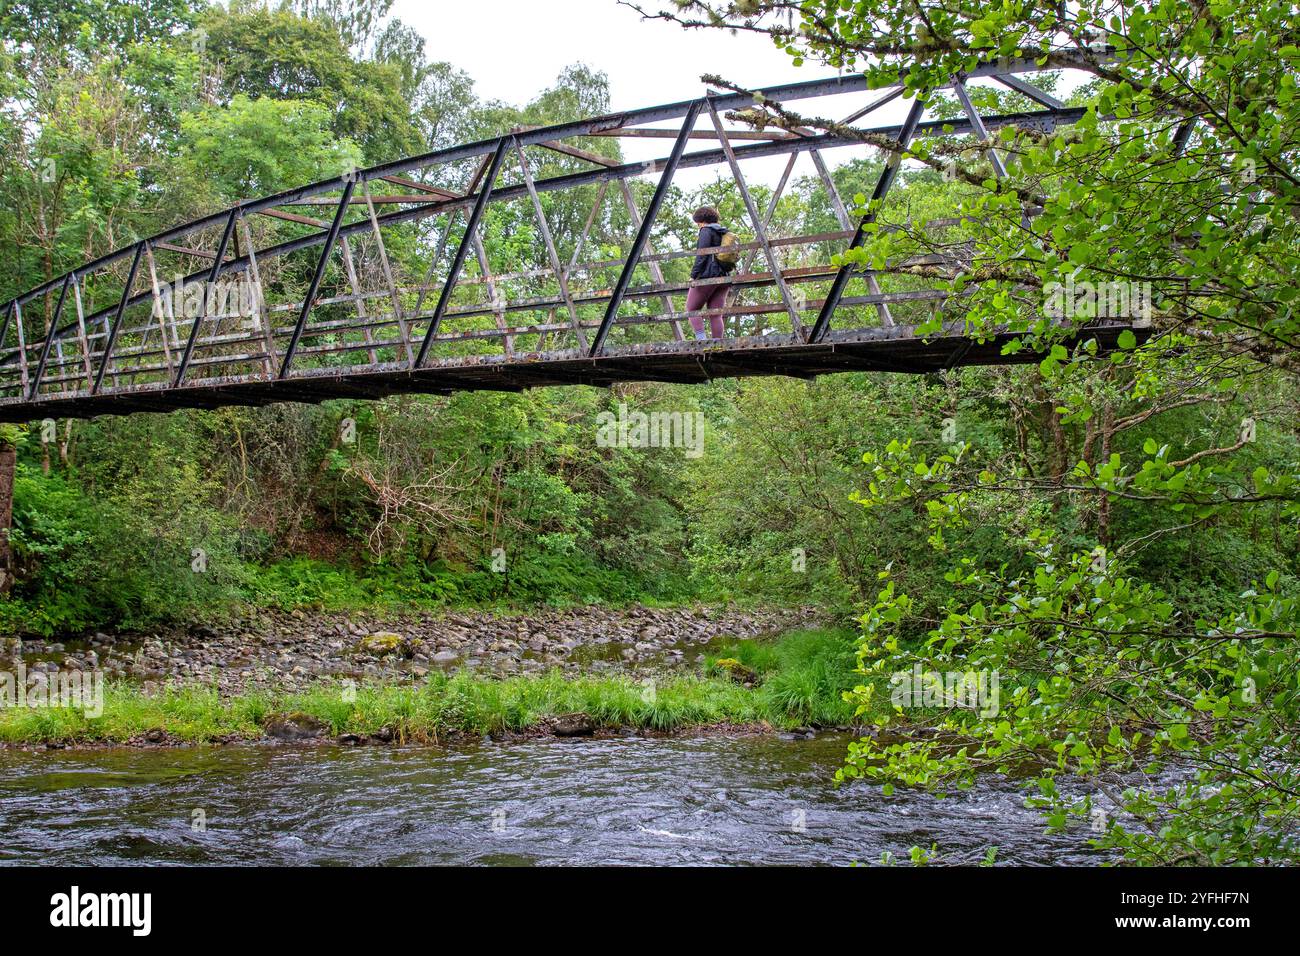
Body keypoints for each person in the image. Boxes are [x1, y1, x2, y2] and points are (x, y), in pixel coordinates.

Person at [686, 206, 733, 340]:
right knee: (715, 313)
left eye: (698, 223)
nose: (698, 226)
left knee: (691, 309)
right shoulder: (723, 232)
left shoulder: (706, 231)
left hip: (709, 276)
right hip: (724, 277)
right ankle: (717, 343)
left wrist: (694, 276)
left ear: (702, 221)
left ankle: (702, 341)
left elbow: (702, 255)